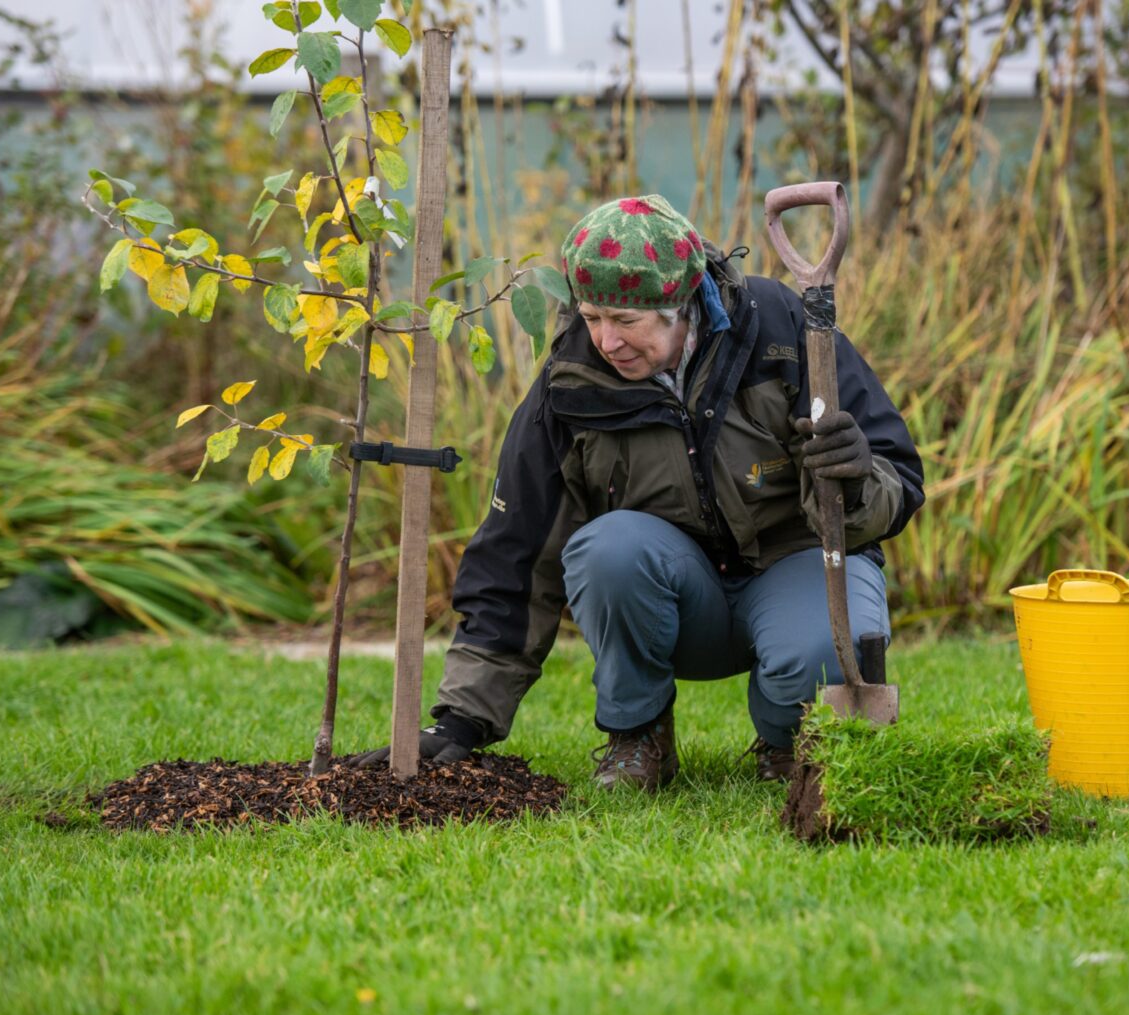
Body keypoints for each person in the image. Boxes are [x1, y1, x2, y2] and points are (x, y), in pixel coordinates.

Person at [351, 194, 924, 790]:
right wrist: (461, 721)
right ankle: (640, 735)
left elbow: (899, 480)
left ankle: (789, 742)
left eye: (626, 322)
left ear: (684, 304)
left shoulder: (780, 328)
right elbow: (517, 551)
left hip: (795, 566)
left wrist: (857, 479)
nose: (605, 341)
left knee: (818, 651)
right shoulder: (571, 384)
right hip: (675, 598)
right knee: (607, 550)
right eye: (592, 316)